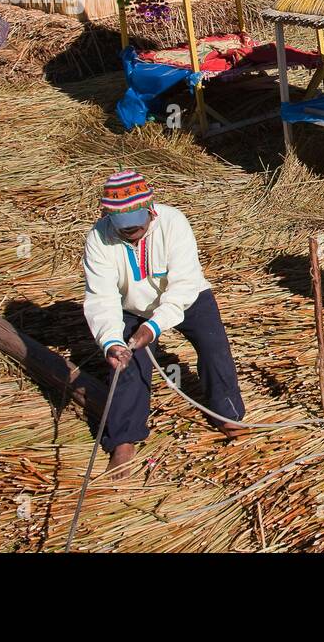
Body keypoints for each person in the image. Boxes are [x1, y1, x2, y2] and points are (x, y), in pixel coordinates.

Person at [82, 170, 246, 473]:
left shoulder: (173, 223)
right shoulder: (98, 238)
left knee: (214, 346)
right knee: (128, 364)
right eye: (122, 225)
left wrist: (154, 326)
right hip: (132, 306)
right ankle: (123, 439)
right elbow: (101, 297)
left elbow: (183, 284)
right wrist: (111, 341)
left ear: (150, 209)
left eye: (136, 223)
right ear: (108, 216)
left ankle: (227, 413)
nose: (131, 230)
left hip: (186, 297)